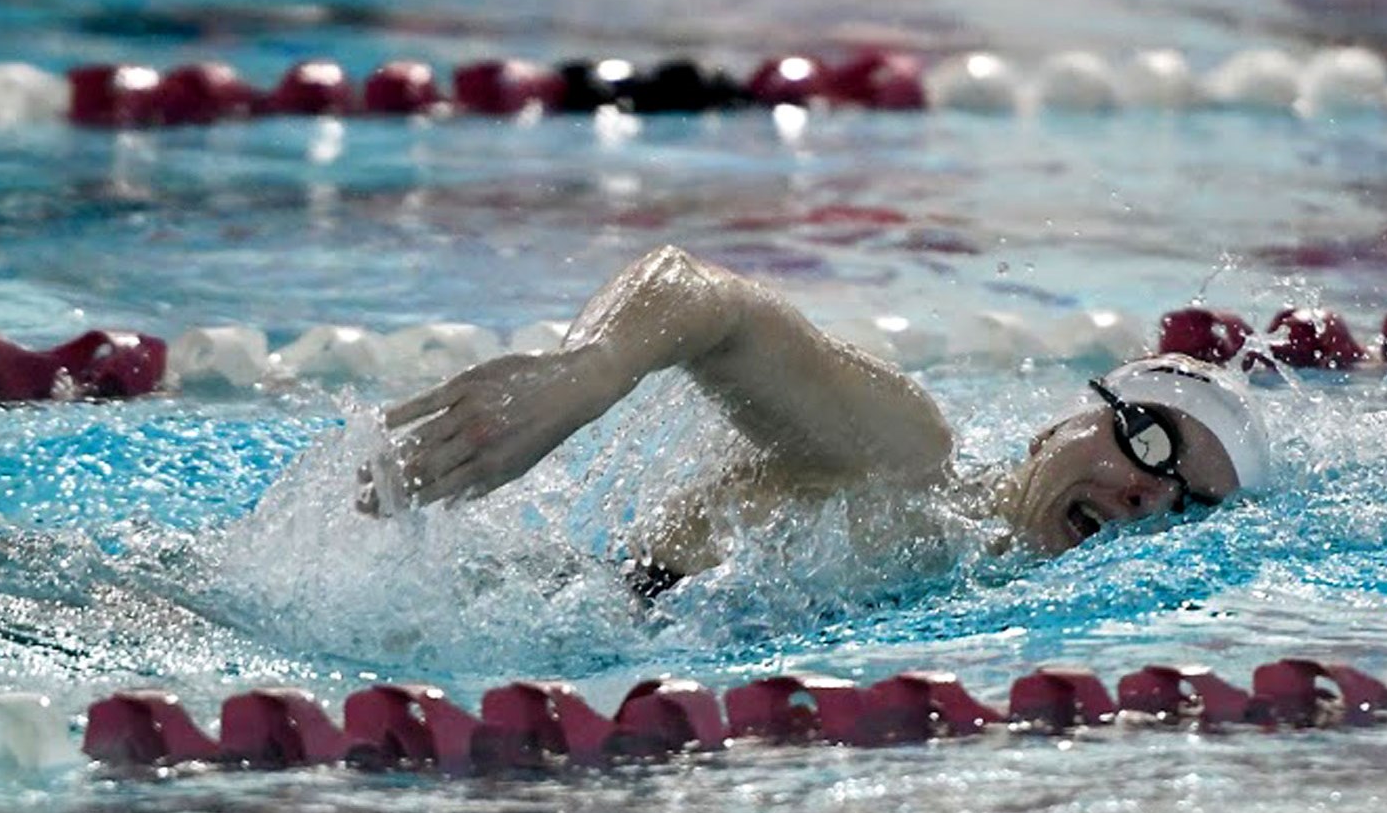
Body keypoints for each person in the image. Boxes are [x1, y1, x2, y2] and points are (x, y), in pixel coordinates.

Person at [358, 246, 1269, 593]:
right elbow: (708, 300)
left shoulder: (984, 598)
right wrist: (584, 373)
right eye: (1151, 438)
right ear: (1056, 430)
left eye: (1189, 506)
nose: (1152, 494)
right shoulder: (906, 460)